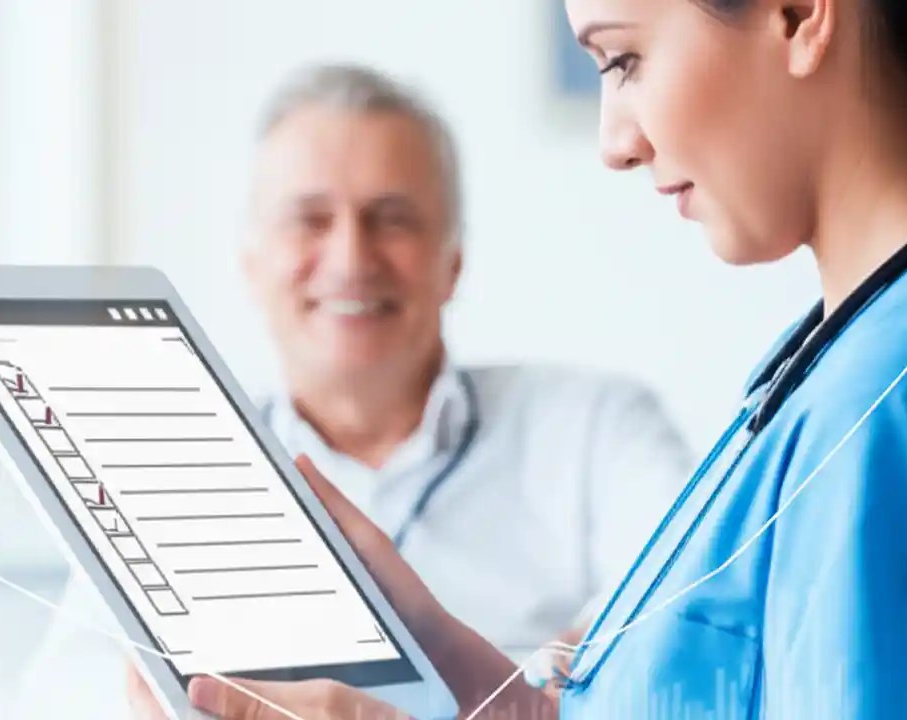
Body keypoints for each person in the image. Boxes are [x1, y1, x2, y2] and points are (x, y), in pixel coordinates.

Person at [134, 0, 907, 711]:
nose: (613, 142)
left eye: (624, 62)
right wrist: (461, 668)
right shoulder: (842, 363)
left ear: (801, 15)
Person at [241, 64, 691, 654]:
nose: (351, 259)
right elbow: (86, 675)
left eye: (391, 219)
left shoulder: (597, 432)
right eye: (310, 220)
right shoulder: (173, 474)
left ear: (452, 262)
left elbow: (681, 622)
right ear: (252, 265)